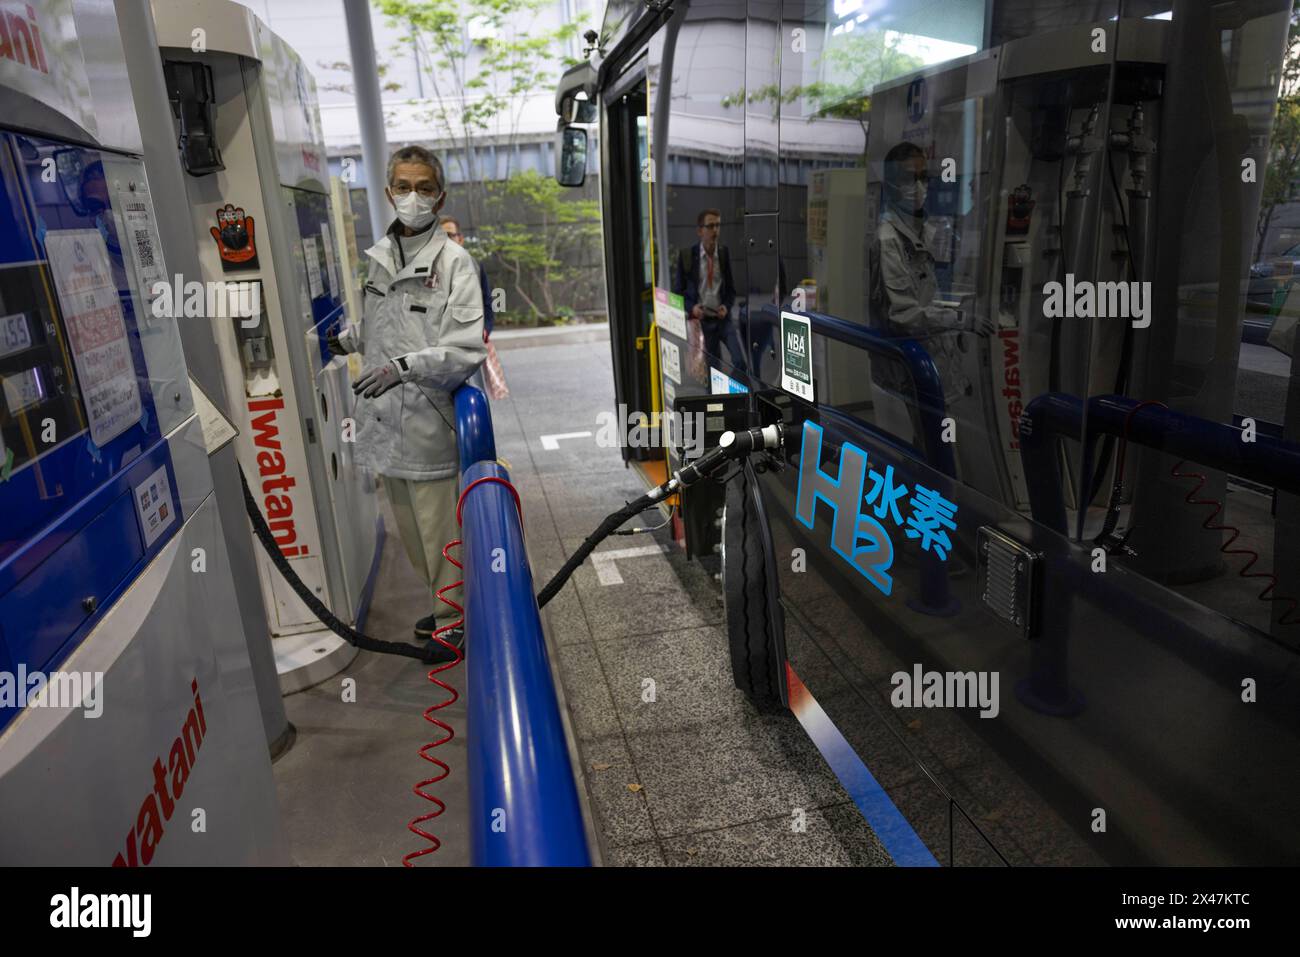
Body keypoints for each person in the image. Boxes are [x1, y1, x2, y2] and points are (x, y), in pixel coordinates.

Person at [327, 145, 486, 659]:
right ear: (389, 191)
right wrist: (346, 340)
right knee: (413, 540)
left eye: (422, 187)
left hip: (427, 418)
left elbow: (464, 350)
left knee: (441, 535)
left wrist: (405, 368)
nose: (412, 197)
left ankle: (454, 619)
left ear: (439, 196)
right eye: (402, 186)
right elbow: (383, 326)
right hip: (383, 422)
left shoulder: (455, 263)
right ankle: (444, 606)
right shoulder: (379, 257)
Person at [673, 208, 746, 373]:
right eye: (711, 226)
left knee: (740, 362)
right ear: (700, 231)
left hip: (723, 320)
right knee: (712, 370)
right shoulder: (687, 256)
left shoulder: (723, 253)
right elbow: (678, 291)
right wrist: (692, 308)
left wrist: (726, 306)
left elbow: (731, 290)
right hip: (703, 322)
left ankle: (736, 396)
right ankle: (715, 397)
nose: (715, 231)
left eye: (718, 226)